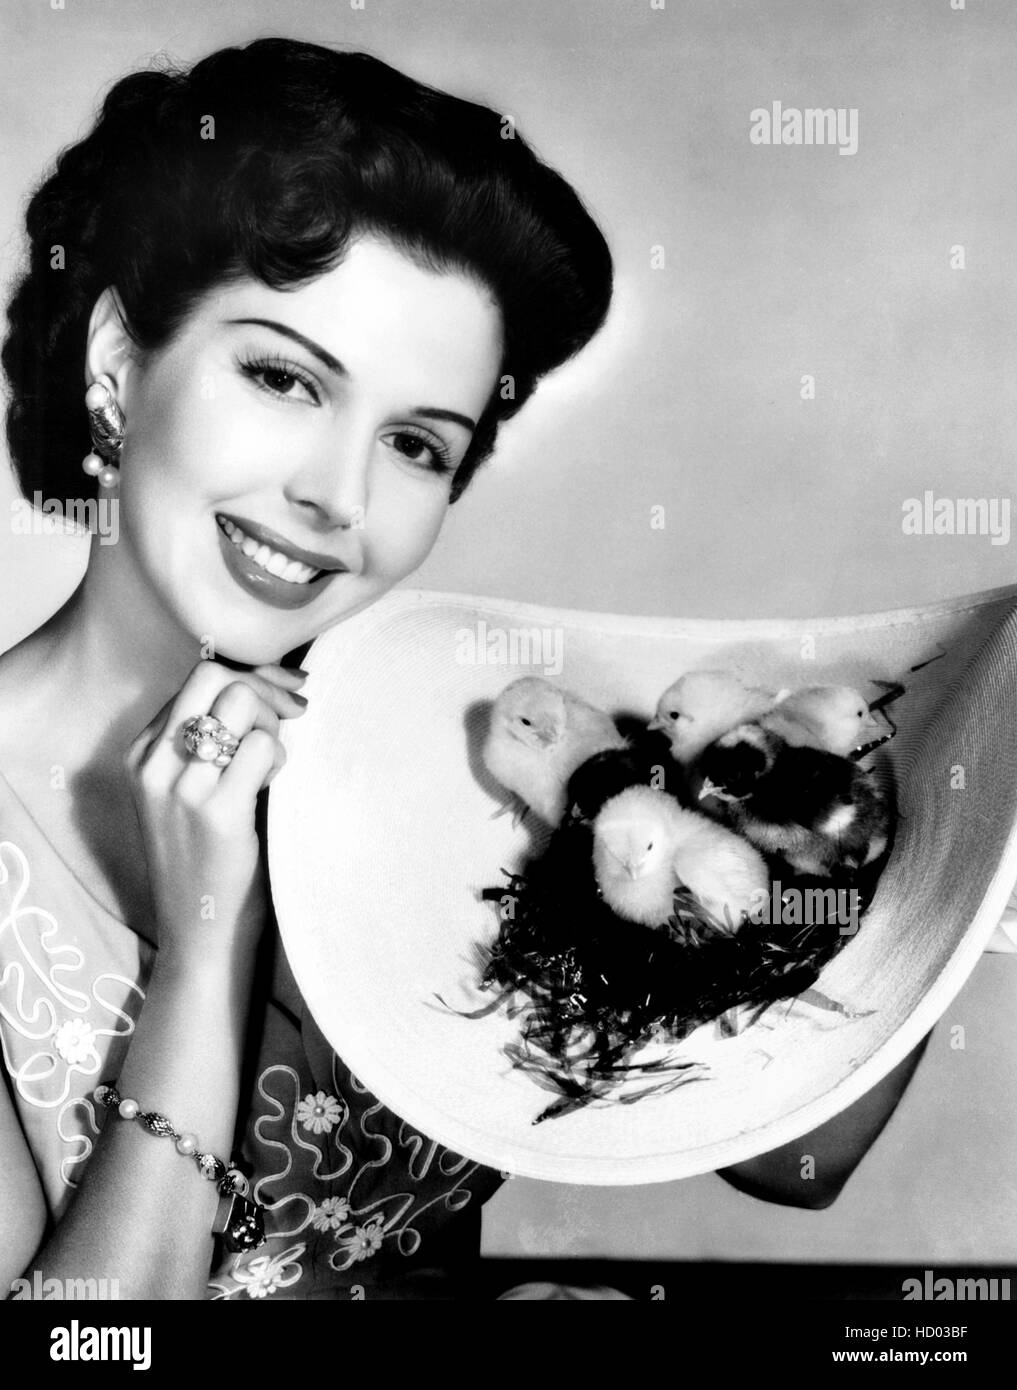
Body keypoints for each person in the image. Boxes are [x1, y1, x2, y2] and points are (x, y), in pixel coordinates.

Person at [0, 36, 923, 1303]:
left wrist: (916, 811)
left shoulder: (464, 743)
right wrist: (208, 944)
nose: (337, 496)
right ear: (117, 365)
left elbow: (801, 1159)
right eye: (282, 377)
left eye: (418, 445)